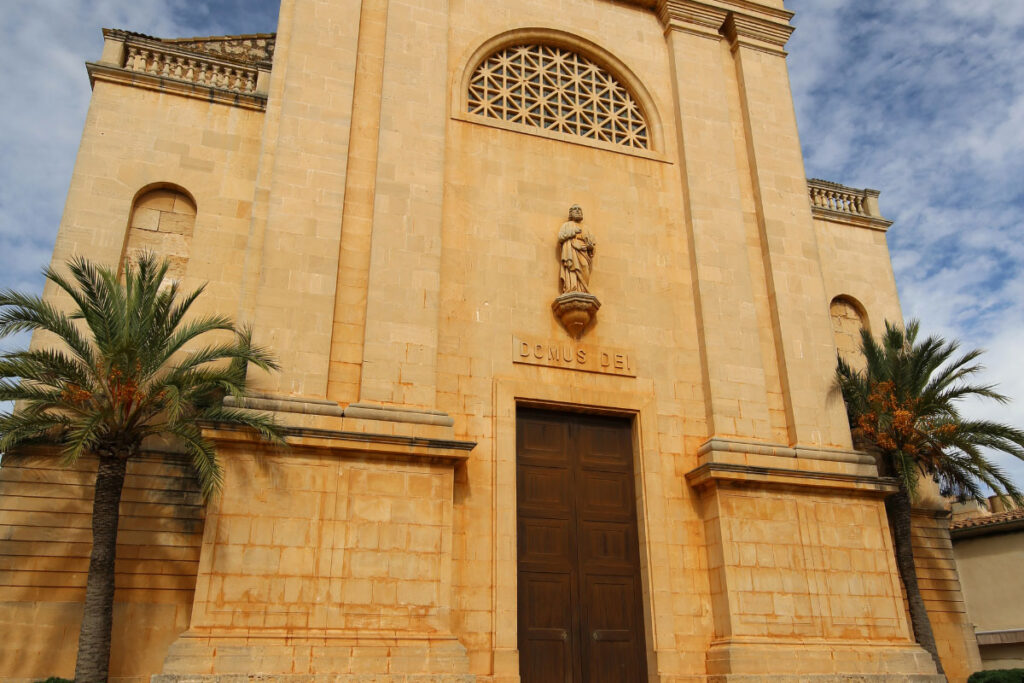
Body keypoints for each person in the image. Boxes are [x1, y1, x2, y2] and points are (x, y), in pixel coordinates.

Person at [558, 204, 596, 294]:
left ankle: (583, 290)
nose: (578, 211)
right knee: (572, 268)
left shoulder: (586, 228)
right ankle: (572, 287)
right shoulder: (567, 225)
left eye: (579, 209)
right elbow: (561, 236)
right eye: (575, 209)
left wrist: (590, 246)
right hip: (572, 251)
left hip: (584, 252)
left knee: (585, 266)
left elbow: (592, 244)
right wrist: (573, 232)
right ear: (571, 213)